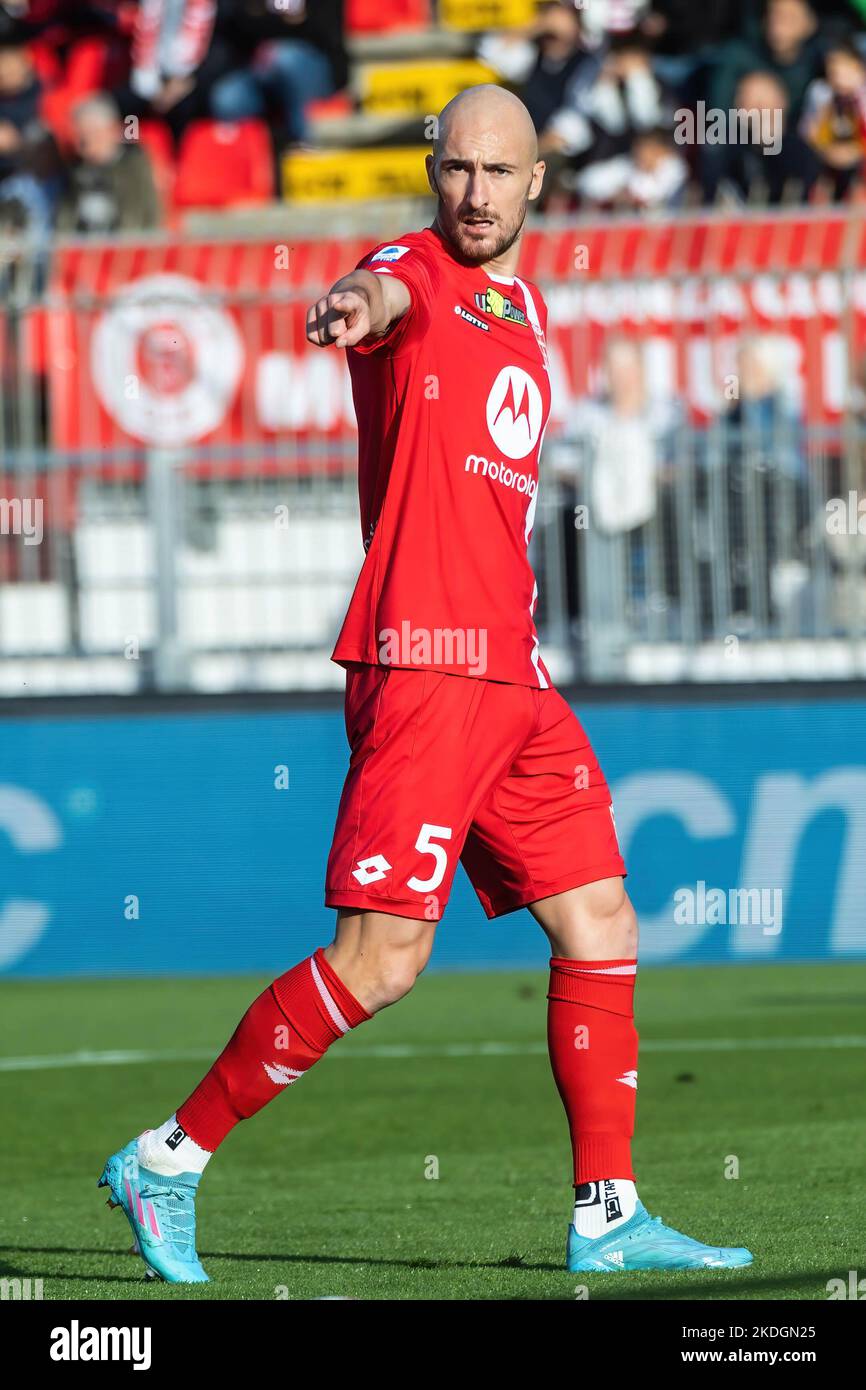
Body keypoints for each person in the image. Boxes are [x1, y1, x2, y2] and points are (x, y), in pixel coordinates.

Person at [97, 83, 753, 1284]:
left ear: (537, 180)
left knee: (600, 918)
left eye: (499, 174)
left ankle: (606, 1210)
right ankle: (168, 1157)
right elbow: (379, 288)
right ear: (430, 167)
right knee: (382, 960)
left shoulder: (527, 309)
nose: (475, 194)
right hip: (425, 664)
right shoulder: (413, 268)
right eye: (456, 169)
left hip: (516, 673)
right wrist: (352, 303)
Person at [56, 94, 162, 233]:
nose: (84, 140)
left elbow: (142, 217)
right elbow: (66, 218)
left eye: (91, 132)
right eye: (80, 133)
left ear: (112, 130)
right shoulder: (75, 172)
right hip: (82, 249)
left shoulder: (134, 168)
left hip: (123, 249)